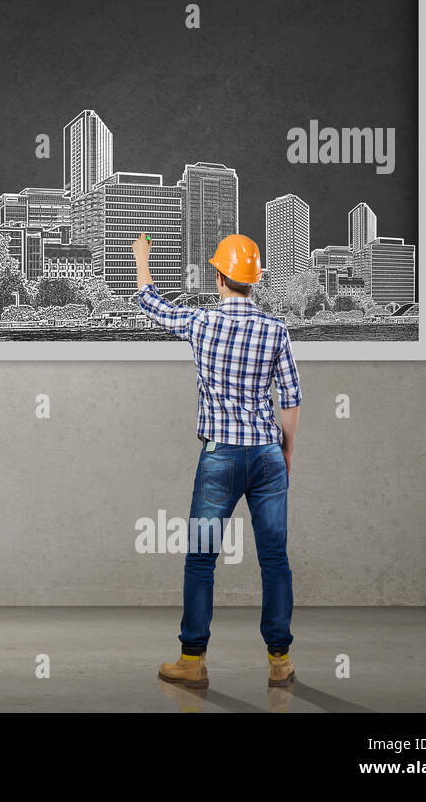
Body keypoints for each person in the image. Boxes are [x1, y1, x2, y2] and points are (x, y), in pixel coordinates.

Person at [131, 232, 301, 690]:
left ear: (220, 277)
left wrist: (142, 259)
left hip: (219, 461)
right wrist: (284, 452)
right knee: (274, 560)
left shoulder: (201, 324)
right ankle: (280, 662)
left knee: (202, 559)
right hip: (267, 457)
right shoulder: (276, 330)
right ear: (254, 281)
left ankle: (193, 661)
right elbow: (291, 399)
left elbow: (153, 304)